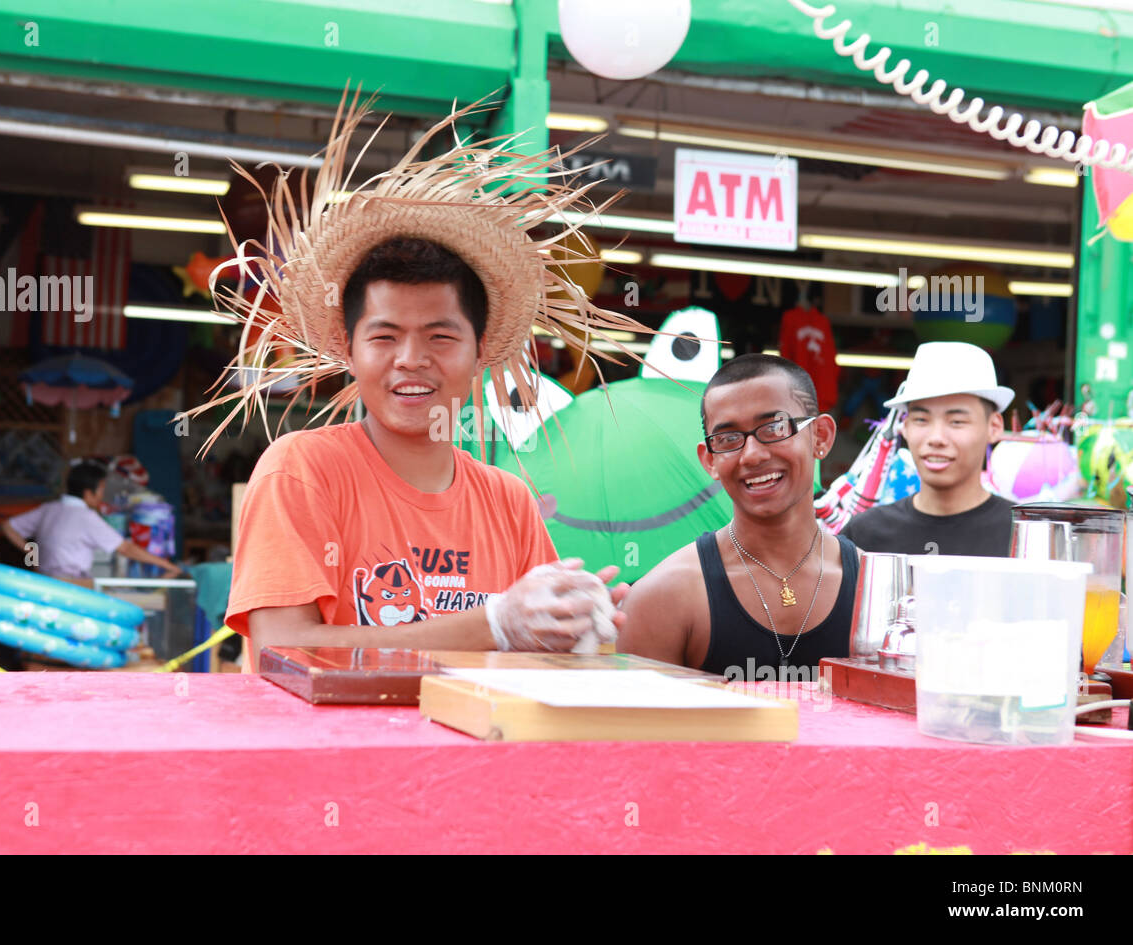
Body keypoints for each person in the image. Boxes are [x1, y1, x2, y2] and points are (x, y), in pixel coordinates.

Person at [190, 90, 654, 666]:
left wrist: (573, 625)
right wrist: (493, 623)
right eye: (384, 337)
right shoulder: (302, 471)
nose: (410, 359)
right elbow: (284, 650)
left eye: (440, 336)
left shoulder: (507, 499)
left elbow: (528, 653)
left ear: (481, 351)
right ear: (350, 351)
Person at [618, 354, 859, 680]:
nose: (753, 455)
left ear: (821, 437)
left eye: (775, 428)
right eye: (729, 438)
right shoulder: (664, 596)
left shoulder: (872, 588)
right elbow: (636, 726)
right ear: (710, 461)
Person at [841, 342, 1014, 557]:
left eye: (957, 421)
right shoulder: (864, 535)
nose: (936, 438)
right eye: (921, 419)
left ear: (994, 427)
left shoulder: (1021, 535)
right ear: (904, 427)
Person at [1, 461, 183, 588]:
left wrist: (32, 552)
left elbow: (7, 527)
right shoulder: (87, 518)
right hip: (72, 585)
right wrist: (167, 565)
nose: (102, 495)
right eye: (102, 489)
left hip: (42, 581)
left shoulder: (49, 509)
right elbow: (126, 548)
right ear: (88, 493)